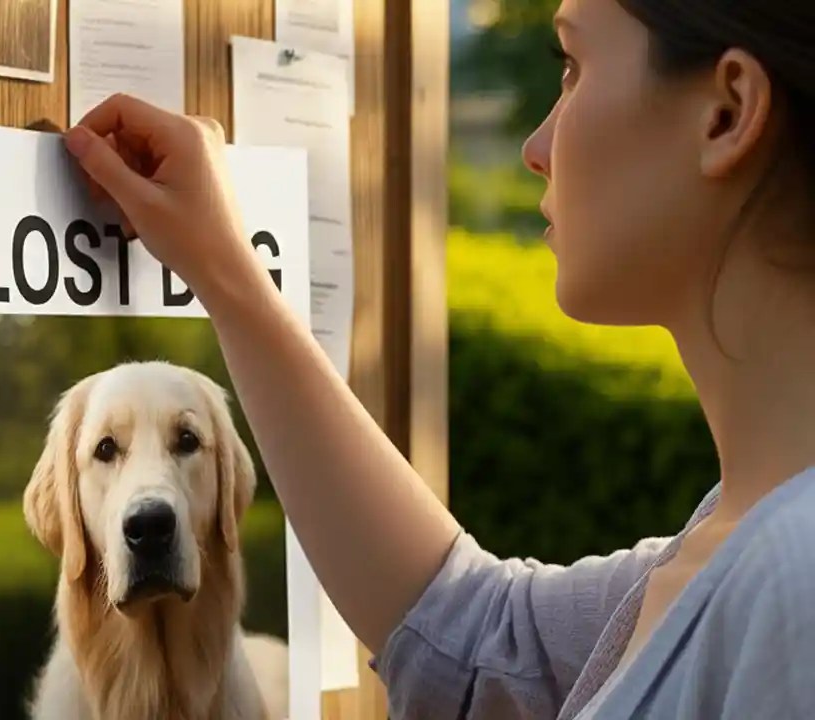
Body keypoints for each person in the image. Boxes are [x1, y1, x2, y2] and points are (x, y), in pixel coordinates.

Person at [59, 0, 815, 716]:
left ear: (726, 112)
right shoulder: (731, 539)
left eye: (573, 65)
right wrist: (225, 269)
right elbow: (482, 641)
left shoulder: (796, 578)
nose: (536, 147)